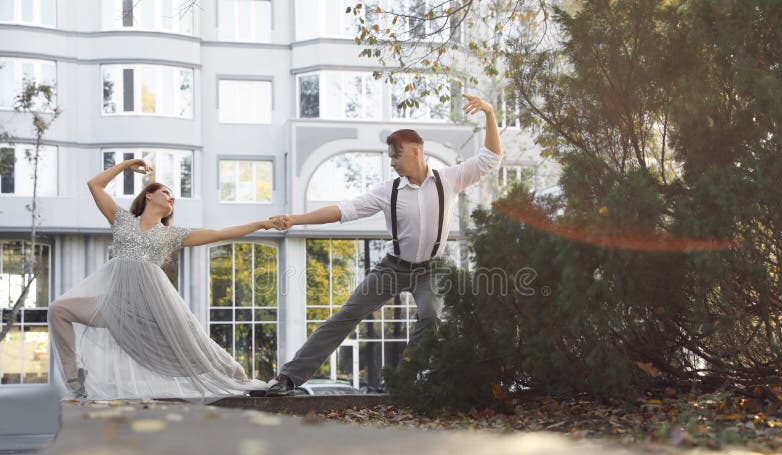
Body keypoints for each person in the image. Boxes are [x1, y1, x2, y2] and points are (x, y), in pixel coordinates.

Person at [255, 93, 502, 396]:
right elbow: (343, 210)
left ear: (415, 150)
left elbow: (490, 158)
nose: (393, 163)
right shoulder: (388, 191)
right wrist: (296, 218)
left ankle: (404, 383)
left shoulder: (448, 179)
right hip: (392, 268)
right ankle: (288, 378)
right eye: (390, 158)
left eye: (396, 156)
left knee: (431, 316)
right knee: (346, 316)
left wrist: (489, 113)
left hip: (432, 269)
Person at [49, 158, 276, 400]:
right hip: (117, 307)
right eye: (166, 192)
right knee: (58, 309)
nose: (172, 197)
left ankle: (243, 380)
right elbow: (94, 184)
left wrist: (261, 224)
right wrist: (126, 165)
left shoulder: (172, 234)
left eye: (172, 196)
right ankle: (75, 382)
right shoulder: (121, 220)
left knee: (202, 351)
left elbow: (220, 233)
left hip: (156, 309)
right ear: (148, 195)